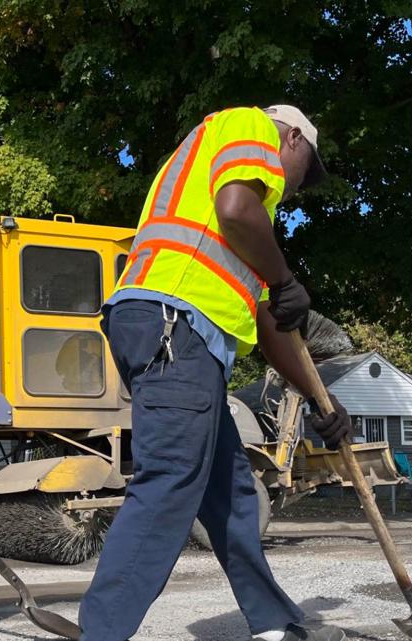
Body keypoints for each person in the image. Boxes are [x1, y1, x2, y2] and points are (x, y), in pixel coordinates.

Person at [79, 105, 353, 641]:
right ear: (292, 137)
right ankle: (103, 633)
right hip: (172, 326)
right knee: (173, 478)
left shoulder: (250, 230)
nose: (297, 185)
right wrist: (284, 277)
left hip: (175, 334)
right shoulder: (249, 129)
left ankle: (273, 625)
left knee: (230, 492)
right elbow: (235, 208)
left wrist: (323, 404)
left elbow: (272, 329)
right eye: (306, 169)